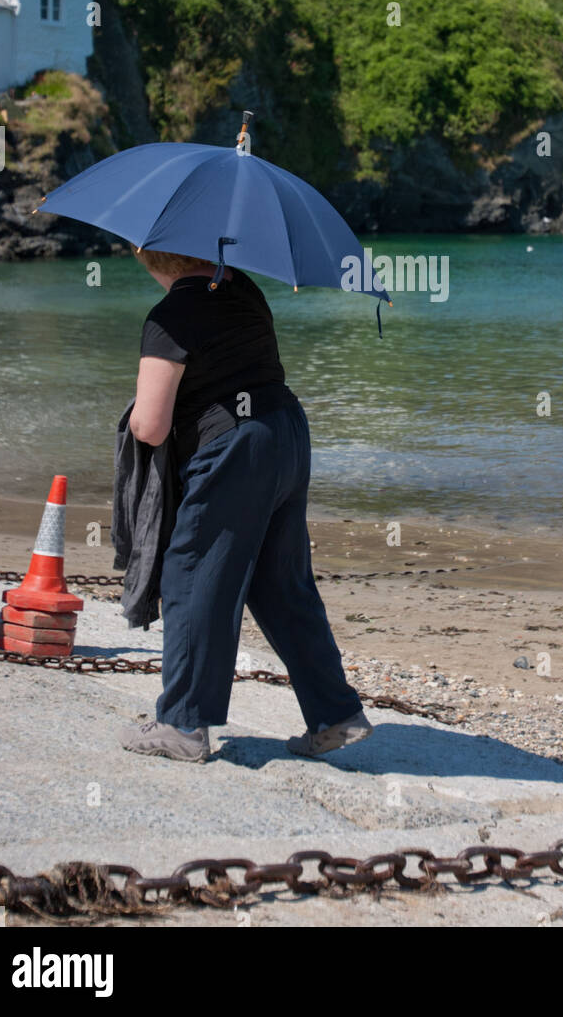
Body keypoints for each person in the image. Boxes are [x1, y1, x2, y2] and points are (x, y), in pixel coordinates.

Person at [118, 247, 372, 763]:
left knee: (192, 574)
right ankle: (336, 715)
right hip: (285, 433)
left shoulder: (169, 316)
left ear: (151, 258)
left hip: (233, 449)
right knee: (282, 583)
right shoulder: (244, 289)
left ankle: (183, 724)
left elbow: (150, 426)